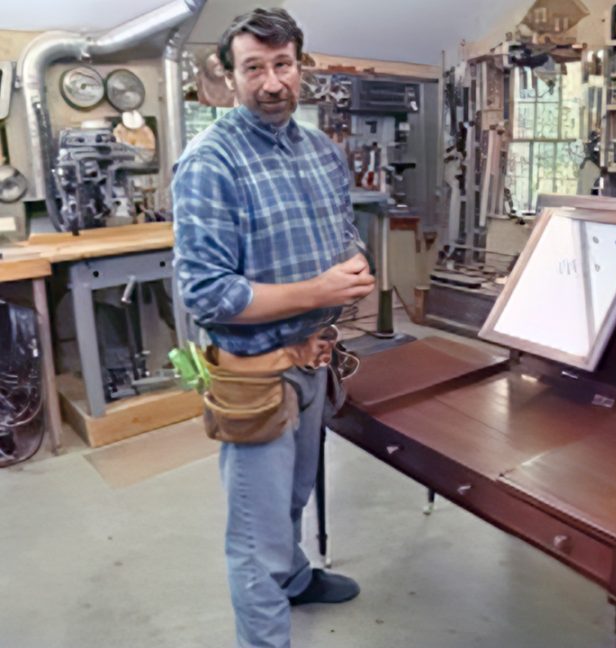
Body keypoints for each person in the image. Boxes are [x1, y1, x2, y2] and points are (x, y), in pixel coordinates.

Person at [172, 8, 375, 647]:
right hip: (255, 373)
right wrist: (316, 290)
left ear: (299, 65)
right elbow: (206, 293)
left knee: (292, 498)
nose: (270, 83)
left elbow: (343, 236)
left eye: (281, 65)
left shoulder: (320, 151)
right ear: (229, 77)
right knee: (255, 537)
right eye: (253, 68)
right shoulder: (211, 162)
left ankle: (294, 580)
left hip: (313, 360)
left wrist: (354, 263)